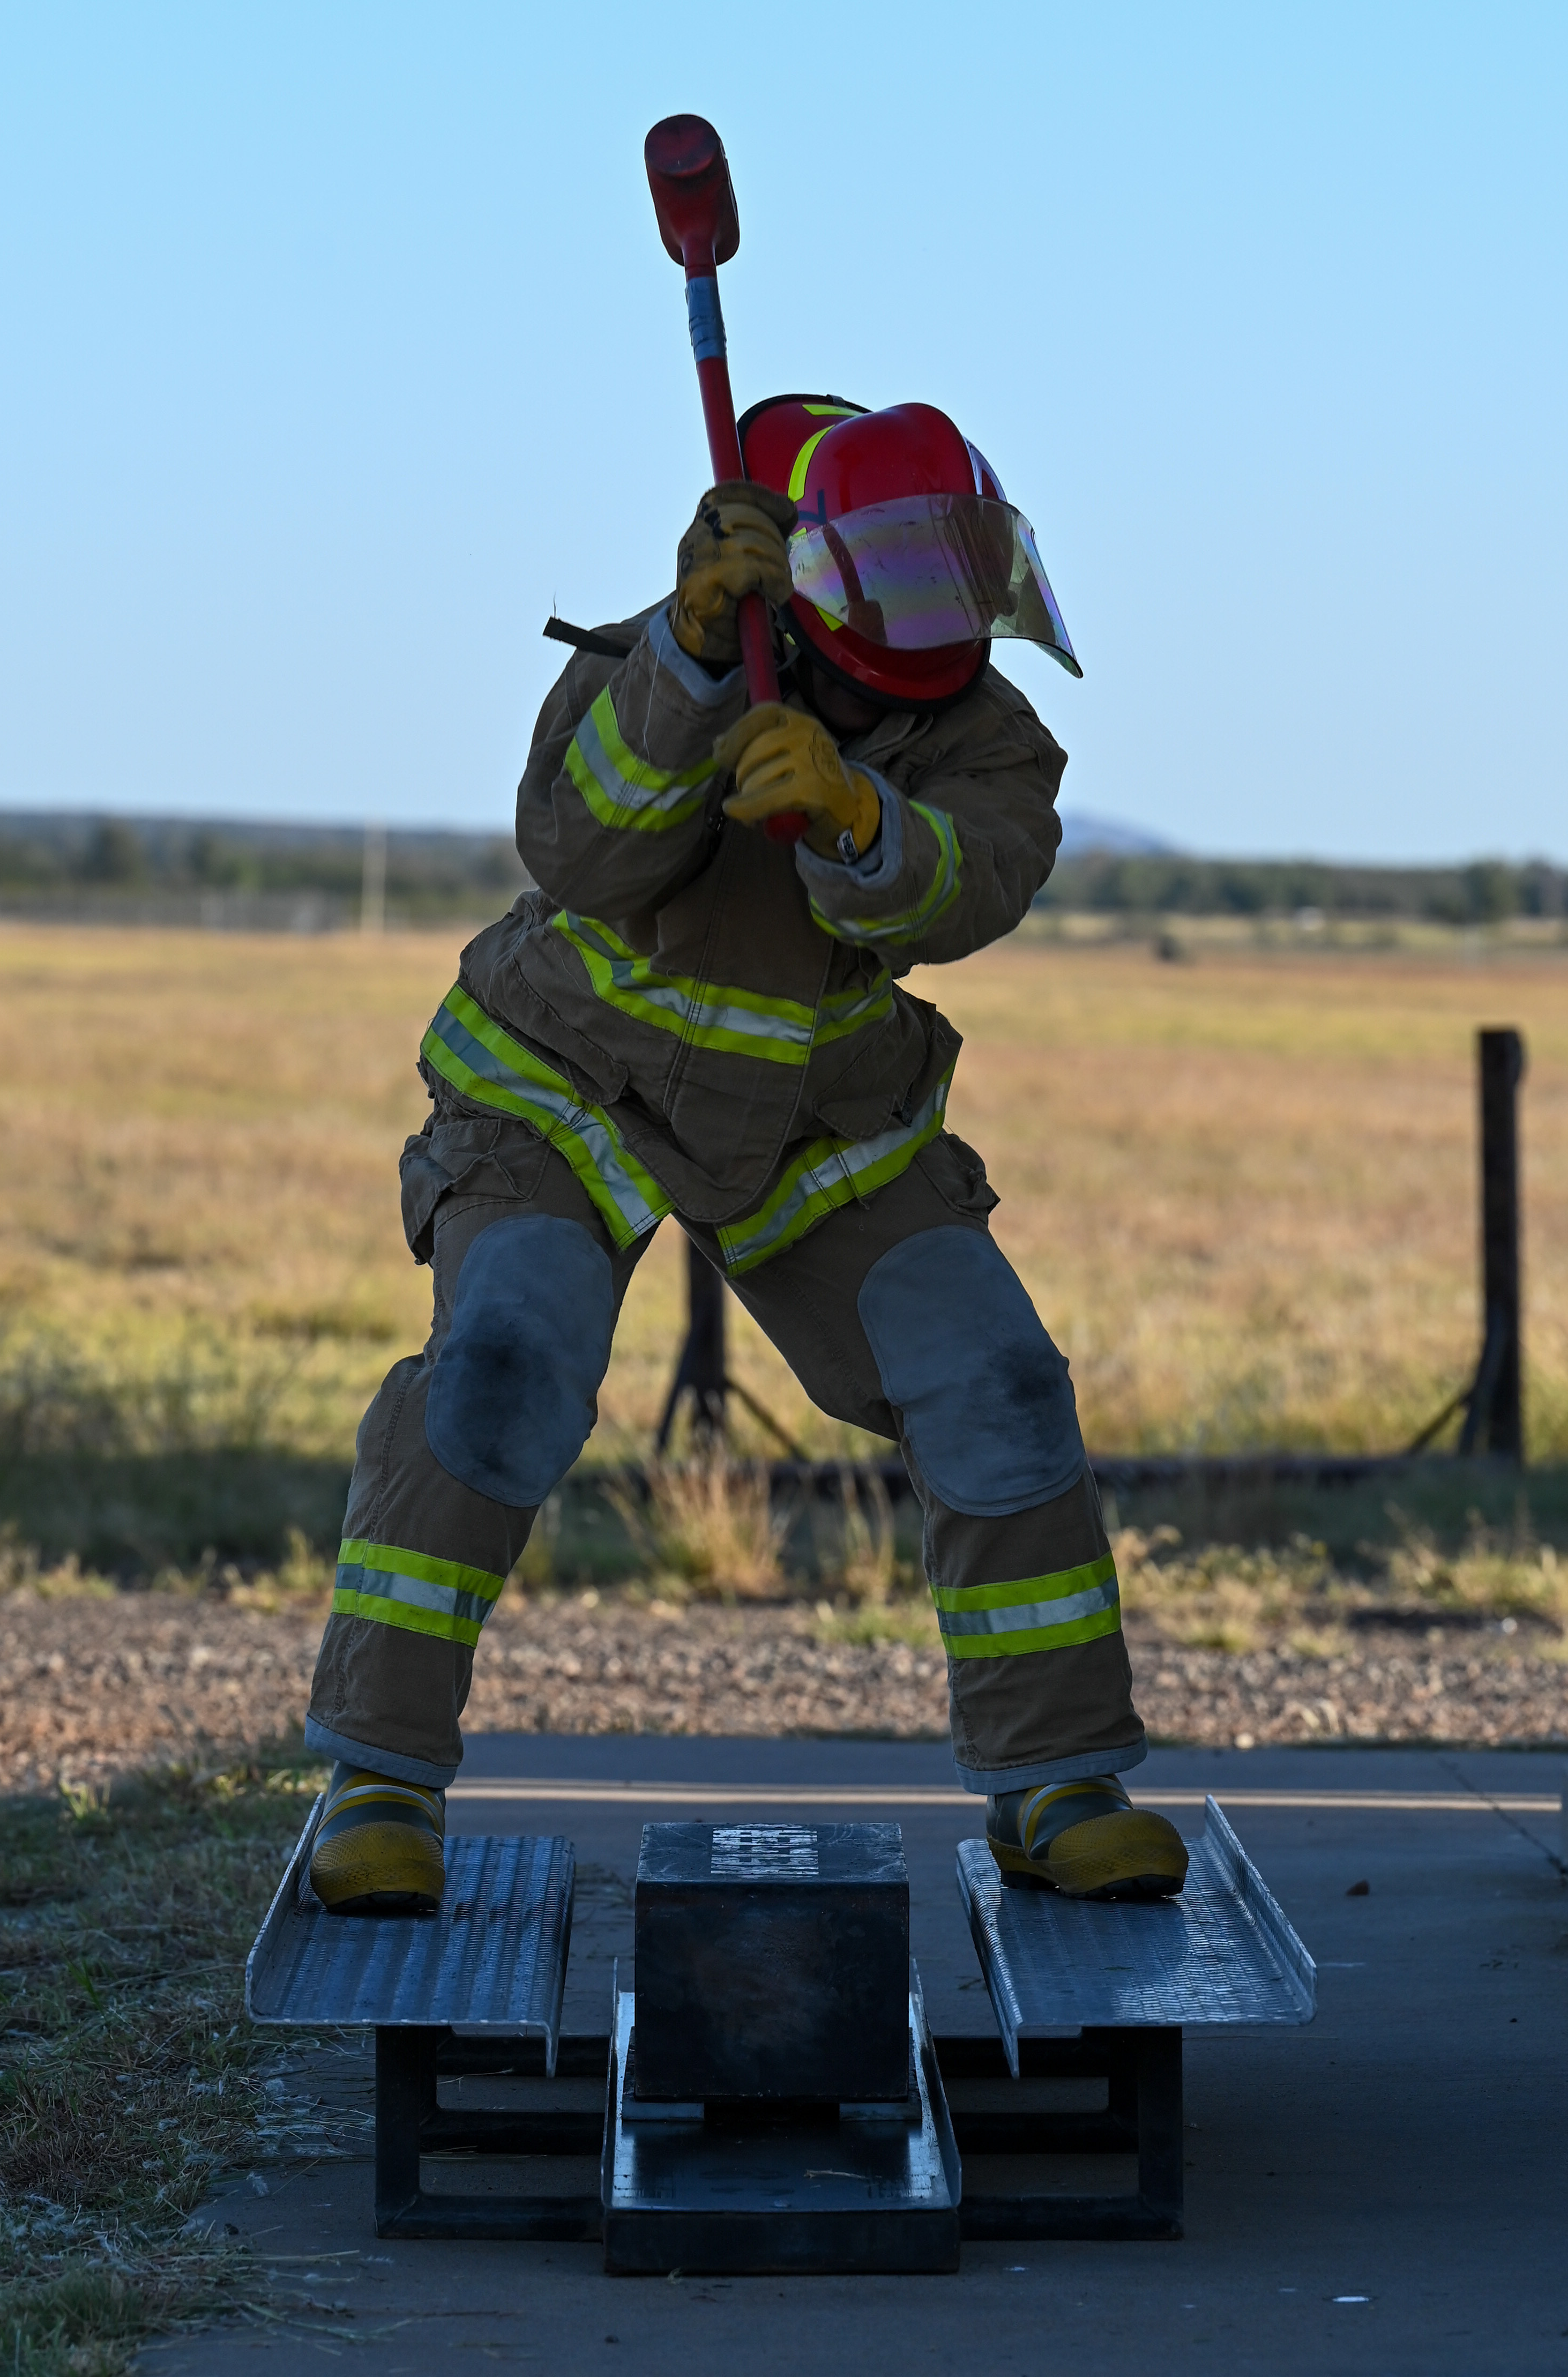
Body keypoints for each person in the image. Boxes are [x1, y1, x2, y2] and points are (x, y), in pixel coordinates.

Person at [303, 394, 1187, 1917]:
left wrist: (858, 821)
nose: (941, 605)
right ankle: (376, 1779)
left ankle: (1057, 1781)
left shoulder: (993, 739)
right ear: (825, 570)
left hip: (814, 1123)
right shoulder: (674, 647)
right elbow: (576, 857)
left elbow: (959, 899)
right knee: (501, 1368)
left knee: (996, 1384)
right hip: (563, 1092)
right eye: (907, 568)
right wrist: (690, 675)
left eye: (959, 566)